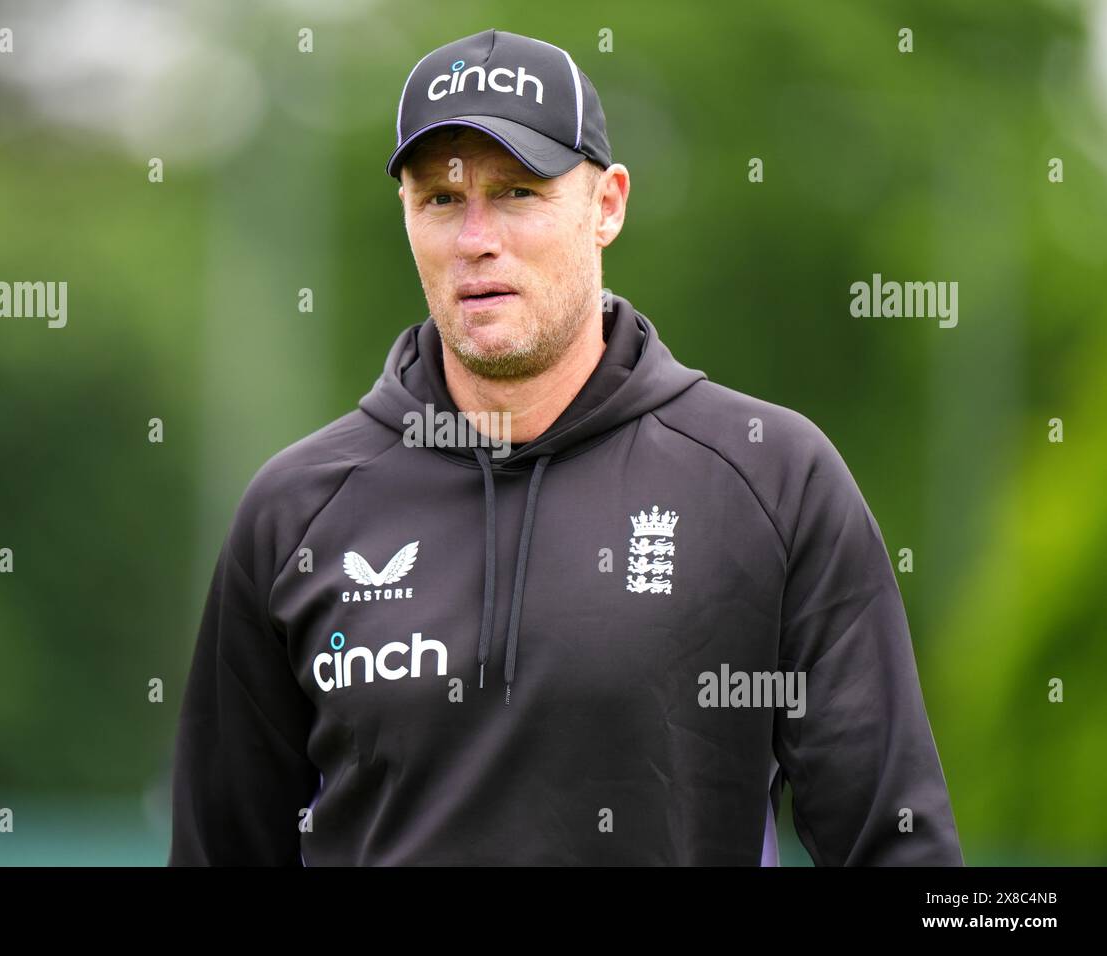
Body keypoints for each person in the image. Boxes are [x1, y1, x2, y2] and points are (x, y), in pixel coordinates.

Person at [168, 28, 964, 866]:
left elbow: (896, 846)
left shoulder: (770, 477)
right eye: (441, 199)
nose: (477, 237)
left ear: (607, 205)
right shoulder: (295, 512)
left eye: (517, 193)